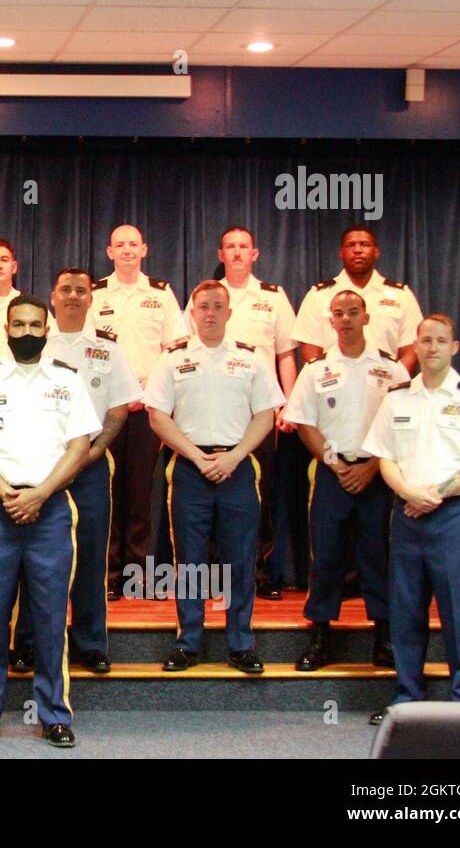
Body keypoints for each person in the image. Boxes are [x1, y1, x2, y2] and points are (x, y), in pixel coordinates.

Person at [0, 293, 100, 748]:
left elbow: (79, 448)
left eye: (36, 325)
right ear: (7, 329)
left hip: (51, 510)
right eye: (20, 325)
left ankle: (54, 714)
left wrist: (40, 493)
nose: (28, 332)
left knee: (52, 618)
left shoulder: (68, 381)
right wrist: (6, 492)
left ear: (47, 329)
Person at [363, 314, 460, 725]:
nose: (432, 348)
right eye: (425, 341)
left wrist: (435, 495)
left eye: (441, 341)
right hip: (406, 516)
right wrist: (409, 494)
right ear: (417, 345)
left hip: (454, 516)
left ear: (454, 347)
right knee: (405, 610)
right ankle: (407, 697)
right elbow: (384, 456)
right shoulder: (397, 397)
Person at [144, 280, 284, 674]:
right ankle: (189, 642)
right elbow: (158, 416)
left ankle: (241, 643)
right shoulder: (171, 360)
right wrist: (196, 456)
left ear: (229, 312)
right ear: (191, 312)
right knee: (190, 560)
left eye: (217, 306)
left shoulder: (251, 358)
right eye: (203, 306)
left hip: (238, 467)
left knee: (241, 558)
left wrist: (236, 456)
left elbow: (265, 415)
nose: (210, 312)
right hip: (190, 468)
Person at [12, 268, 142, 673]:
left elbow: (119, 408)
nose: (72, 296)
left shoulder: (109, 349)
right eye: (65, 289)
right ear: (53, 297)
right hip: (39, 470)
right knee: (36, 559)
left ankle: (90, 642)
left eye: (80, 290)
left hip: (89, 470)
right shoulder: (33, 344)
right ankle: (29, 642)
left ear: (91, 299)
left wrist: (93, 452)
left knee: (90, 556)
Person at [283, 290, 408, 670]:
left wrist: (370, 467)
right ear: (331, 321)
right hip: (332, 473)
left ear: (366, 318)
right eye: (339, 313)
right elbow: (304, 423)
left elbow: (402, 426)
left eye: (354, 312)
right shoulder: (316, 369)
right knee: (327, 557)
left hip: (379, 475)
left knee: (378, 557)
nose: (347, 319)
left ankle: (384, 639)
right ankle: (320, 637)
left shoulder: (393, 370)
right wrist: (338, 465)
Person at [183, 226, 299, 601]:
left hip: (260, 413)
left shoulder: (273, 297)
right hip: (210, 411)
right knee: (207, 496)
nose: (236, 253)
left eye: (243, 247)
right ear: (220, 254)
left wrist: (290, 406)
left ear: (255, 254)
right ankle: (215, 575)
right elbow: (186, 349)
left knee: (257, 495)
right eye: (229, 247)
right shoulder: (202, 296)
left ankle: (260, 572)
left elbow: (285, 355)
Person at [89, 223, 186, 600]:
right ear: (109, 252)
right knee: (108, 488)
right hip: (107, 407)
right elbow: (89, 350)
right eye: (119, 245)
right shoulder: (96, 294)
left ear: (144, 249)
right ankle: (108, 574)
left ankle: (138, 575)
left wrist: (149, 391)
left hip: (147, 405)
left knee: (142, 492)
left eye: (133, 244)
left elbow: (174, 349)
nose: (127, 250)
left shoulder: (160, 295)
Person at [292, 226, 424, 374]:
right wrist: (328, 383)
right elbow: (310, 351)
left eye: (365, 244)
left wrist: (392, 385)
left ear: (376, 252)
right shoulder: (318, 295)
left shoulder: (401, 295)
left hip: (386, 387)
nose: (358, 250)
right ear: (341, 253)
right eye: (351, 245)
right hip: (333, 387)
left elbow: (410, 351)